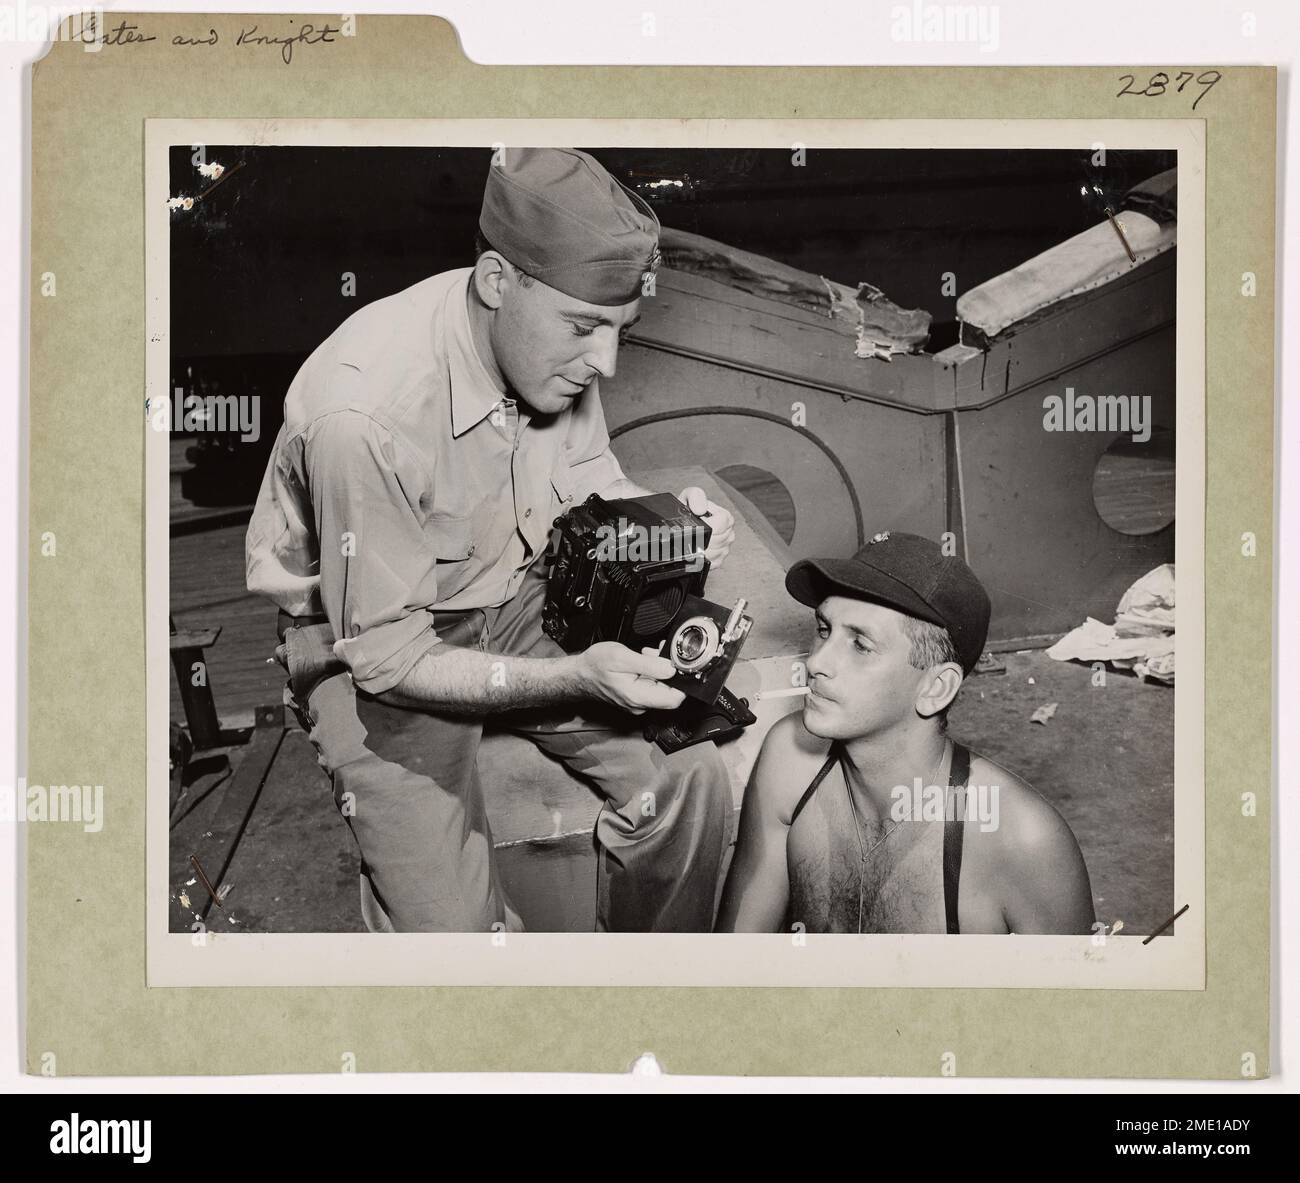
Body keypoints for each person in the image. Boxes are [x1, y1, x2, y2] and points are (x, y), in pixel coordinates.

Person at [245, 147, 737, 933]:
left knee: (691, 779)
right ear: (497, 282)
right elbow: (392, 658)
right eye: (584, 327)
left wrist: (665, 521)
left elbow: (587, 484)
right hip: (376, 649)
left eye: (620, 330)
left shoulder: (550, 354)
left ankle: (642, 997)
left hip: (513, 591)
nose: (604, 362)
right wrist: (576, 677)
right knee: (453, 938)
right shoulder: (365, 417)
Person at [716, 531, 1095, 934]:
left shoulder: (1023, 840)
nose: (816, 662)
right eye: (825, 629)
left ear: (935, 688)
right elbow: (734, 960)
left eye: (860, 645)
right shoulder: (790, 759)